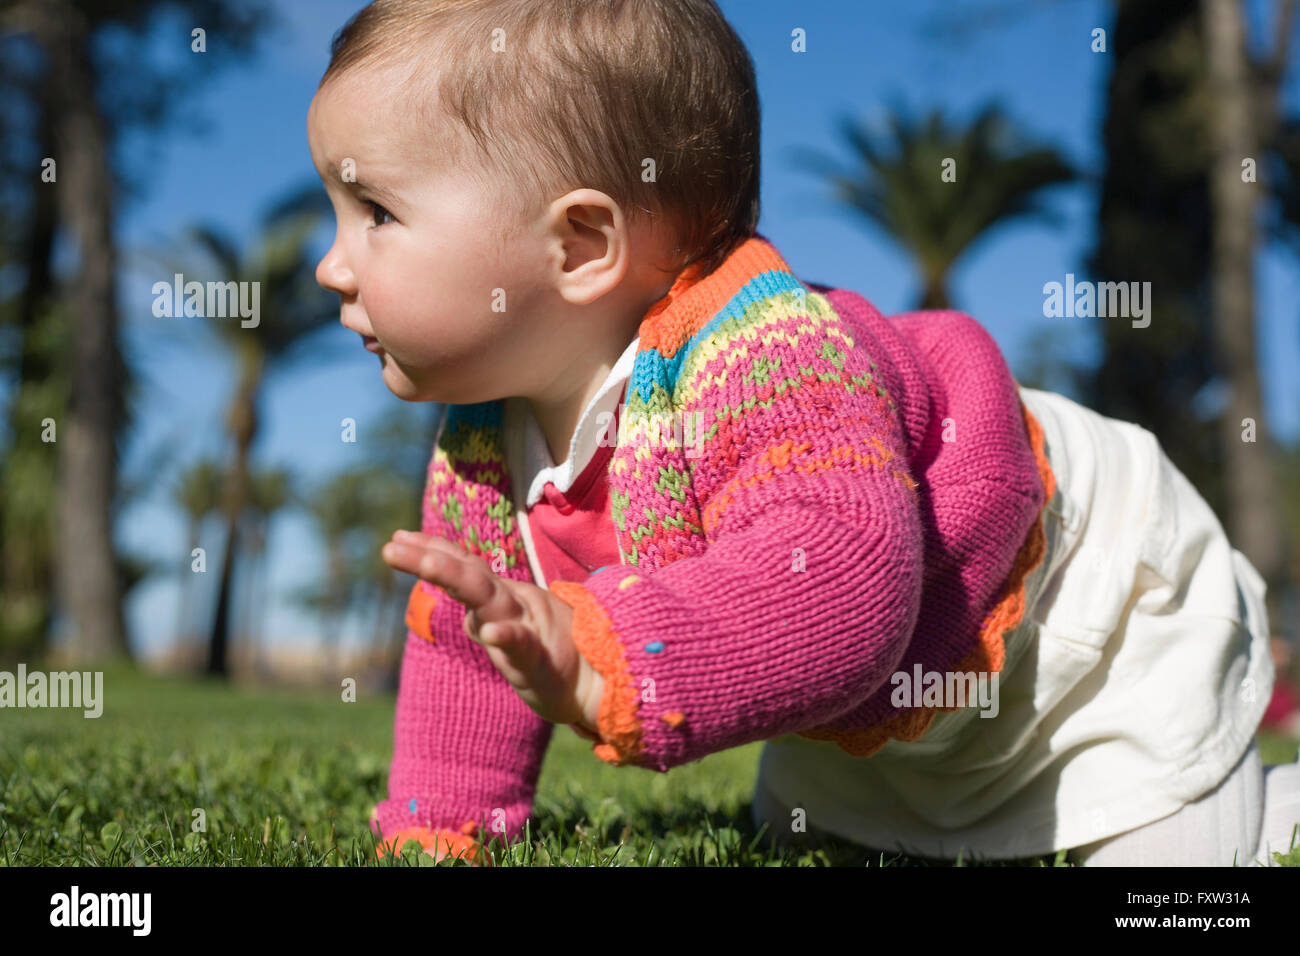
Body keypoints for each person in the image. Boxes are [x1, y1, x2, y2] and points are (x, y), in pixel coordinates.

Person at [306, 0, 1298, 866]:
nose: (331, 266)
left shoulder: (766, 359)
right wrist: (444, 830)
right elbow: (470, 640)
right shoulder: (481, 440)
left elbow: (841, 580)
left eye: (375, 212)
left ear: (580, 244)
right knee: (806, 838)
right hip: (907, 712)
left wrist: (602, 653)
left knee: (1181, 870)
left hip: (1091, 622)